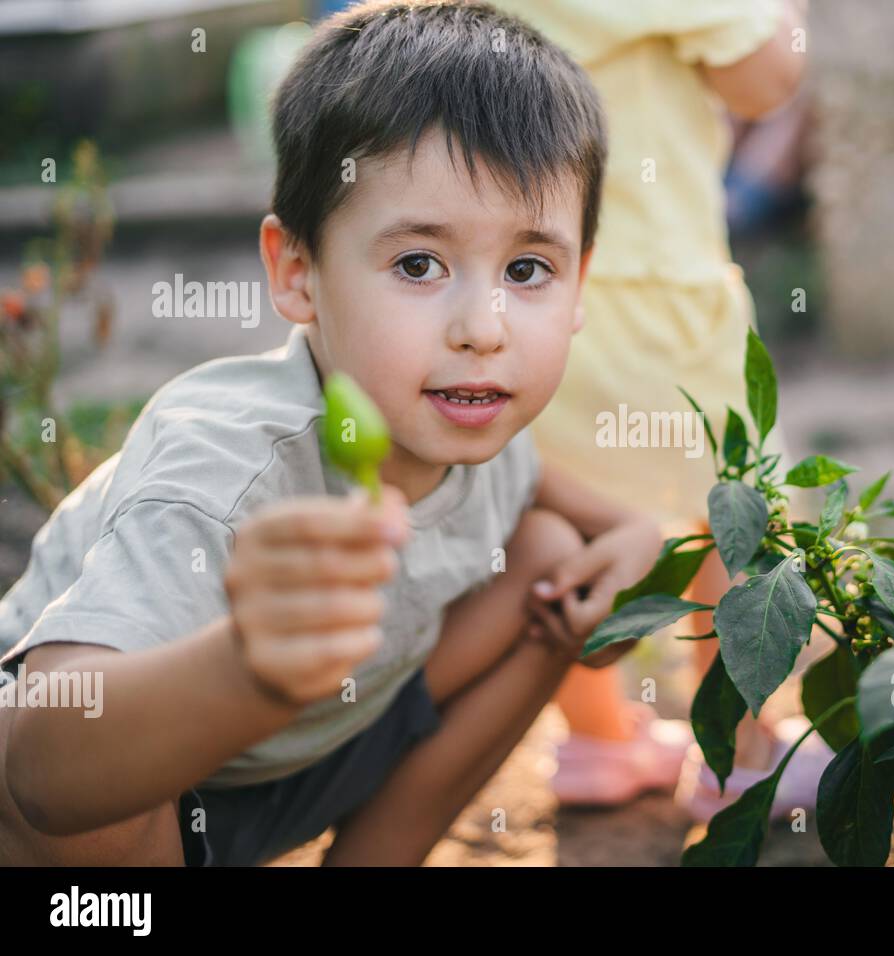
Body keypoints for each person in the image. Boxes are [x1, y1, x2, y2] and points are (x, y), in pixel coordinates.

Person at [0, 0, 661, 866]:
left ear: (579, 288)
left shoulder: (469, 422)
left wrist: (632, 533)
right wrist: (246, 666)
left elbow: (546, 493)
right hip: (107, 799)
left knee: (547, 562)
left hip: (289, 769)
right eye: (418, 264)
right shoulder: (220, 471)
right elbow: (44, 776)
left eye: (528, 269)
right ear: (297, 273)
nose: (484, 327)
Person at [491, 0, 828, 820]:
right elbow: (767, 78)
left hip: (518, 301)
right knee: (731, 515)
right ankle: (740, 753)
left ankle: (599, 741)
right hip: (653, 302)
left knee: (562, 522)